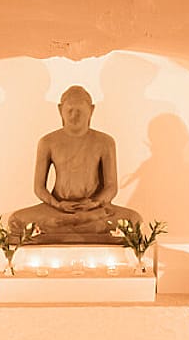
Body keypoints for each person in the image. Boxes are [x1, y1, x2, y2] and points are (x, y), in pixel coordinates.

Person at [8, 85, 141, 243]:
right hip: (58, 208)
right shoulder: (47, 142)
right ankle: (83, 224)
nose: (74, 116)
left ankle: (68, 226)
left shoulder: (105, 142)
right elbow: (39, 188)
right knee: (15, 220)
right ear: (60, 110)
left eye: (80, 111)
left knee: (134, 220)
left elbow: (111, 186)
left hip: (93, 207)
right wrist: (57, 204)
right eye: (69, 111)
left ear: (91, 110)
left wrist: (94, 203)